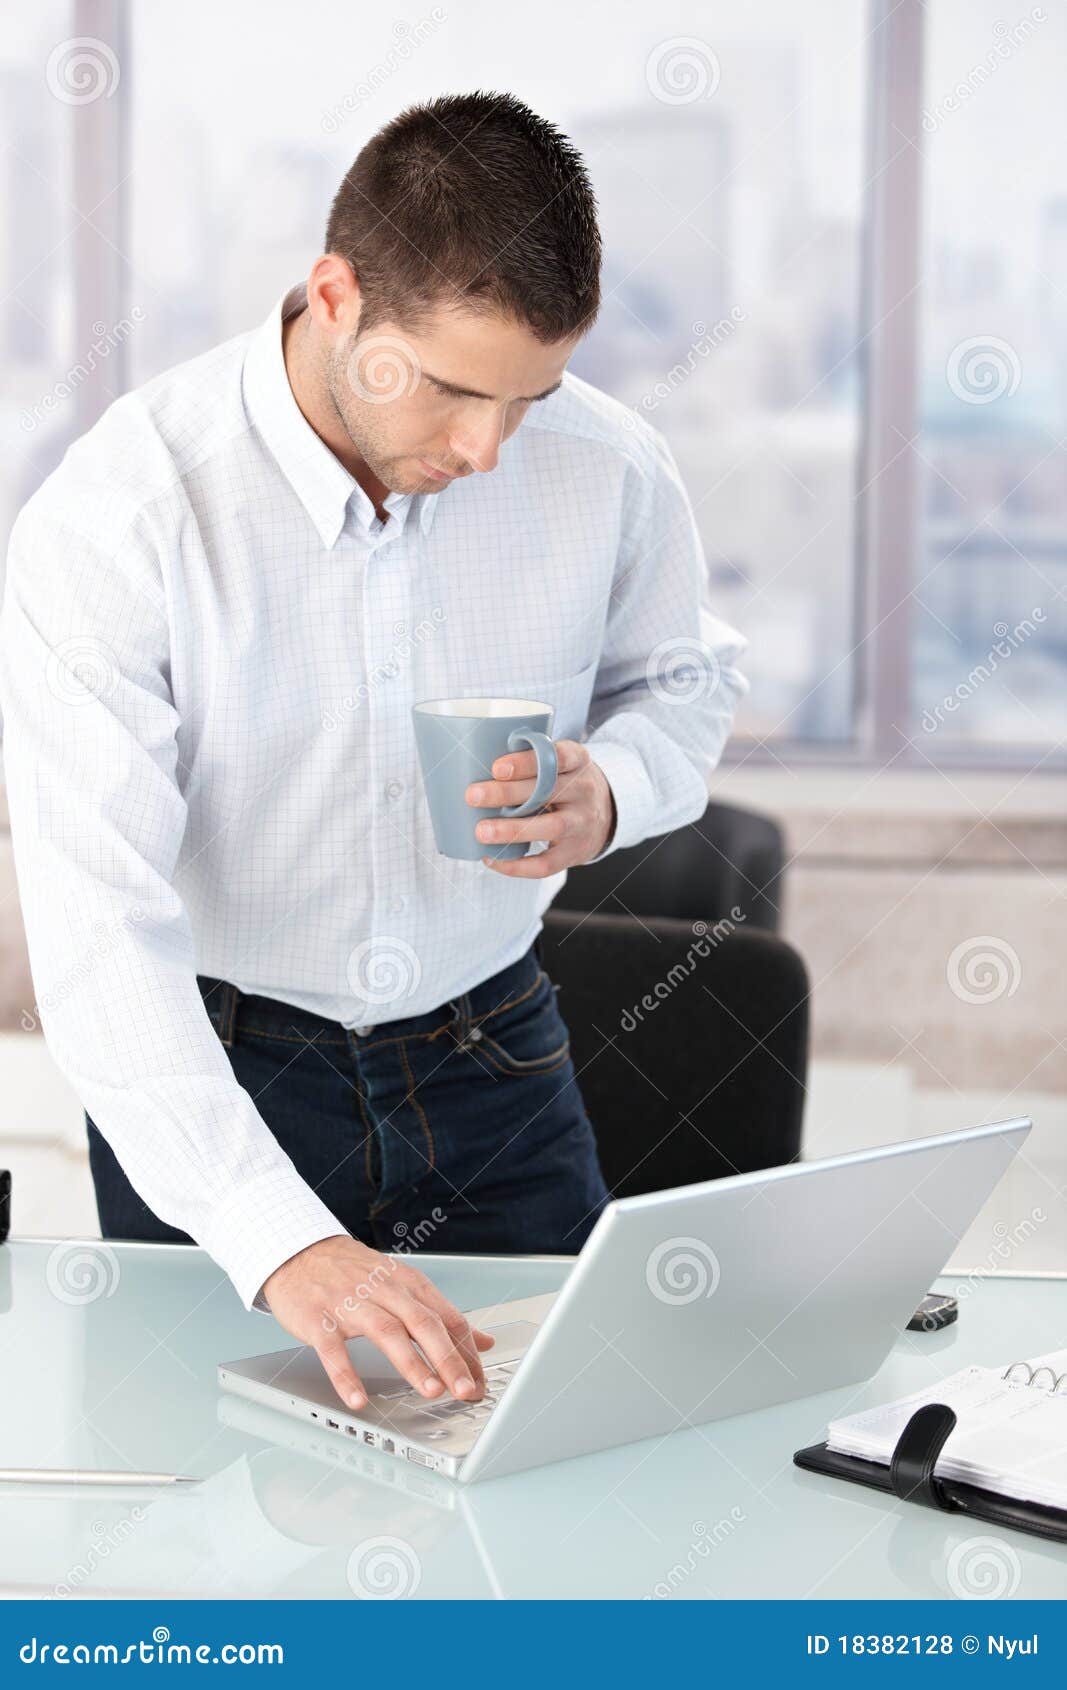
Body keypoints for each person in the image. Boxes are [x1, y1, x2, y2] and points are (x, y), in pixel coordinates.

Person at [0, 91, 746, 1412]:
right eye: (451, 389)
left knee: (567, 1437)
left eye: (529, 397)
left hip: (495, 1052)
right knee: (200, 1484)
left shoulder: (610, 465)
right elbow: (98, 934)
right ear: (336, 296)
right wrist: (278, 1238)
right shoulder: (121, 517)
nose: (487, 449)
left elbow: (684, 683)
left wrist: (616, 787)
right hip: (219, 1070)